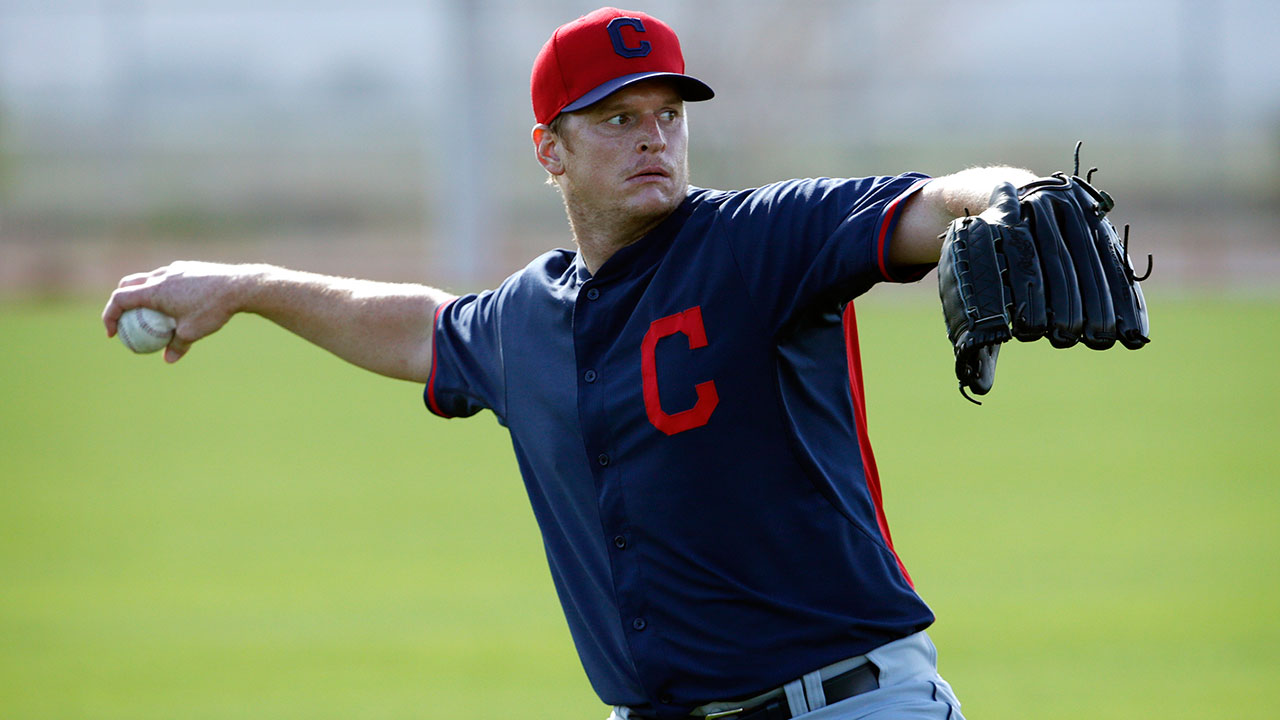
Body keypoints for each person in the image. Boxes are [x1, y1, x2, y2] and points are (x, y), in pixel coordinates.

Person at [103, 7, 1045, 719]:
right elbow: (416, 329)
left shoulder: (760, 240)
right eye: (616, 117)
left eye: (667, 113)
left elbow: (926, 203)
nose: (653, 137)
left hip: (842, 703)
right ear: (549, 149)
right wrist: (243, 283)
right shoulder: (529, 319)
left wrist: (1012, 193)